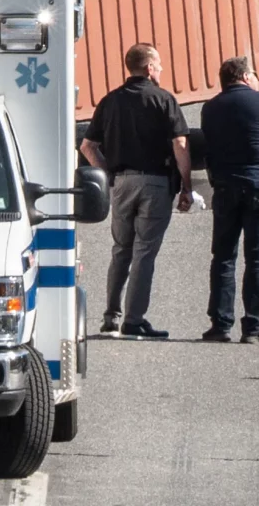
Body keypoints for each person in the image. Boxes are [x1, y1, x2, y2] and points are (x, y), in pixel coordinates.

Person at [79, 44, 191, 340]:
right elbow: (180, 145)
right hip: (155, 183)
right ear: (149, 67)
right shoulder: (164, 99)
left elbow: (88, 146)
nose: (162, 70)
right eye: (160, 65)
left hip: (122, 183)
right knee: (144, 253)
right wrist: (187, 187)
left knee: (121, 250)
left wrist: (109, 176)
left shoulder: (110, 101)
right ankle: (134, 319)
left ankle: (111, 316)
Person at [198, 54, 259, 344]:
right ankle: (252, 327)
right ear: (246, 76)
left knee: (224, 257)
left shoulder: (210, 108)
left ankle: (220, 324)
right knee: (257, 260)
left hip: (226, 187)